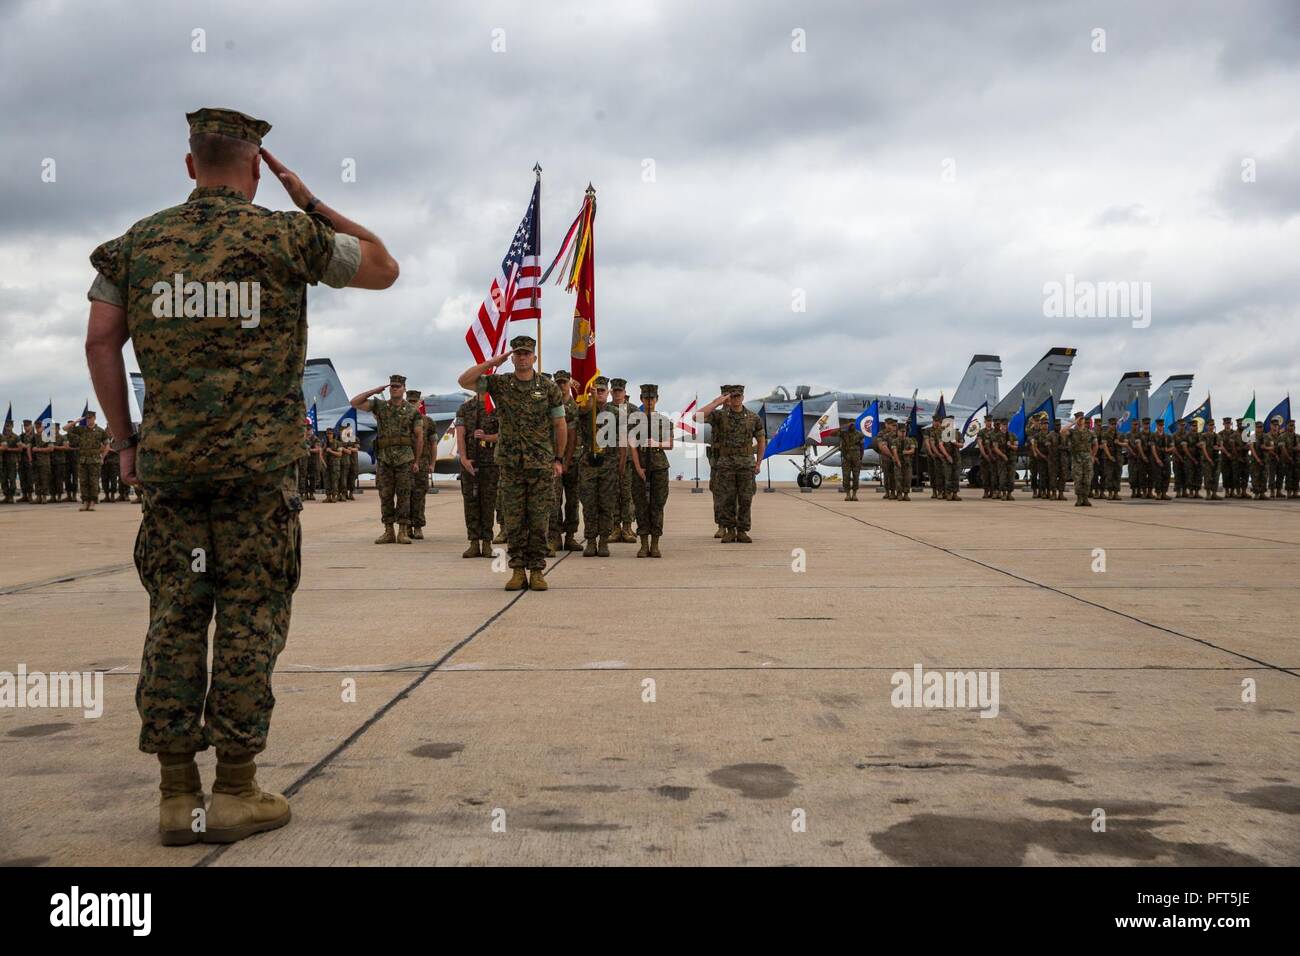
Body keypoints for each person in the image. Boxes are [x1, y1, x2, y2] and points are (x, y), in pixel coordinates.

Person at [84, 106, 398, 846]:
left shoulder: (136, 245)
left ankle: (173, 794)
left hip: (170, 471)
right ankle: (233, 788)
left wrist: (125, 441)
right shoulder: (288, 236)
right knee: (250, 617)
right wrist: (310, 200)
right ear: (256, 169)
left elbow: (101, 341)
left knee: (174, 616)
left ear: (190, 164)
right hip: (256, 477)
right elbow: (382, 266)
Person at [457, 335, 565, 590]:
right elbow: (464, 381)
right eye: (518, 353)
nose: (522, 357)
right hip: (510, 464)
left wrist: (558, 458)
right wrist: (493, 362)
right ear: (513, 357)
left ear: (534, 357)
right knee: (514, 520)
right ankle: (517, 570)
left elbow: (560, 424)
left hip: (540, 463)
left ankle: (537, 570)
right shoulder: (501, 384)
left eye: (527, 353)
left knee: (539, 519)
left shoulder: (548, 388)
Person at [351, 375, 422, 542]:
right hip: (385, 458)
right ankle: (388, 530)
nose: (394, 389)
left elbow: (419, 437)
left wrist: (417, 461)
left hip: (404, 458)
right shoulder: (380, 406)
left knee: (404, 495)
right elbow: (355, 402)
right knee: (385, 495)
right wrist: (375, 391)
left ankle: (403, 531)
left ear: (404, 388)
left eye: (398, 386)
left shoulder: (413, 411)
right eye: (392, 386)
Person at [697, 385, 764, 541]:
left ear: (742, 397)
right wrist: (716, 402)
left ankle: (742, 531)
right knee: (727, 498)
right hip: (726, 464)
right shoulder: (720, 416)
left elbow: (761, 440)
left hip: (746, 464)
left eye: (738, 396)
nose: (735, 399)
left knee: (746, 499)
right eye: (732, 396)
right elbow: (697, 417)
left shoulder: (753, 418)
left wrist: (759, 462)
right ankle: (730, 530)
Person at [626, 384, 673, 557]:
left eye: (652, 398)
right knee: (640, 506)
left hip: (659, 467)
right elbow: (632, 447)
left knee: (657, 505)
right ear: (641, 399)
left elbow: (670, 444)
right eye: (646, 398)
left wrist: (656, 444)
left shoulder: (665, 421)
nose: (649, 401)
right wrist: (638, 467)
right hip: (641, 467)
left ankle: (655, 544)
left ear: (657, 399)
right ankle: (644, 544)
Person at [454, 380, 499, 558]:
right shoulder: (465, 408)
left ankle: (487, 542)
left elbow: (504, 434)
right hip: (470, 462)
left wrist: (487, 437)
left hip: (491, 463)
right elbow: (460, 434)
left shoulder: (496, 407)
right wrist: (464, 459)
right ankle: (474, 542)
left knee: (488, 503)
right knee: (470, 503)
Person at [575, 376, 619, 556]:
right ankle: (591, 540)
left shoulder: (615, 413)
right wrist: (590, 399)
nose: (599, 393)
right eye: (597, 390)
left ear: (608, 393)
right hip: (588, 464)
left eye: (602, 391)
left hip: (609, 463)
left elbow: (623, 440)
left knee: (606, 504)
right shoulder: (586, 410)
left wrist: (622, 465)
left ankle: (603, 541)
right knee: (589, 503)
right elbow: (580, 411)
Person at [550, 369, 582, 552]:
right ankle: (554, 536)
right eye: (559, 382)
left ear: (570, 383)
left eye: (564, 382)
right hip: (554, 458)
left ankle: (570, 535)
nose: (561, 386)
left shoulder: (575, 407)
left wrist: (567, 461)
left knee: (572, 500)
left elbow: (573, 437)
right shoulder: (552, 405)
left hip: (573, 459)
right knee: (554, 499)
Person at [407, 390, 438, 539]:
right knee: (404, 494)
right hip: (404, 462)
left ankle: (418, 527)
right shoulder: (402, 420)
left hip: (423, 463)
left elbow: (433, 443)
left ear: (420, 403)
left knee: (419, 495)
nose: (413, 404)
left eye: (415, 402)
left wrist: (432, 463)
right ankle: (405, 526)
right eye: (410, 401)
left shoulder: (428, 421)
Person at [66, 411, 109, 510]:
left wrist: (102, 457)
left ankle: (93, 502)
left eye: (90, 418)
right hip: (83, 460)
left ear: (94, 418)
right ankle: (85, 501)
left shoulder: (100, 431)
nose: (89, 420)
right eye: (87, 418)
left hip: (94, 460)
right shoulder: (81, 430)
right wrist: (76, 421)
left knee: (93, 482)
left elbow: (107, 445)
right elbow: (65, 428)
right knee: (83, 481)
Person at [1067, 412, 1096, 506]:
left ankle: (1086, 498)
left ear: (1084, 420)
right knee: (1078, 479)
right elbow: (1062, 431)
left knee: (1087, 479)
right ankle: (1079, 498)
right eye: (1078, 419)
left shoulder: (1090, 432)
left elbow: (1095, 444)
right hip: (1076, 459)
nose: (1080, 421)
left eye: (1081, 419)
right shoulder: (1072, 432)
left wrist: (1092, 456)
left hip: (1087, 458)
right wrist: (1073, 422)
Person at [838, 417, 865, 500]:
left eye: (853, 423)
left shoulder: (860, 434)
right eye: (850, 423)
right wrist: (843, 426)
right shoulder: (843, 433)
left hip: (856, 457)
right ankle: (847, 494)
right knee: (846, 476)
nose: (852, 425)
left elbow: (862, 447)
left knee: (856, 476)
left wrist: (860, 458)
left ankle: (854, 494)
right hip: (846, 457)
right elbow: (832, 433)